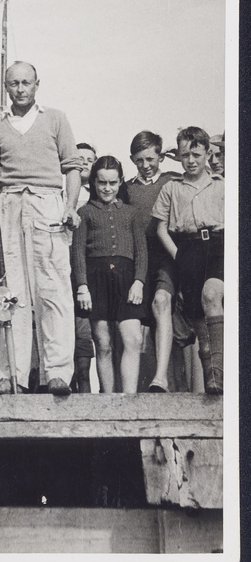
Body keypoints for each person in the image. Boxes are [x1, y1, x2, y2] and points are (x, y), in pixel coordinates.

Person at [0, 61, 82, 396]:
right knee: (9, 295)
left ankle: (58, 372)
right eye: (14, 83)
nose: (20, 89)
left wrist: (68, 207)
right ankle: (8, 376)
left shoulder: (56, 118)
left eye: (26, 83)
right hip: (9, 207)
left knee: (53, 293)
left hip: (47, 205)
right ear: (6, 87)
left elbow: (73, 168)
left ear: (37, 84)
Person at [152, 126, 224, 394]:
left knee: (212, 293)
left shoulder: (222, 186)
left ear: (207, 153)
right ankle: (213, 382)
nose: (191, 160)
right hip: (187, 249)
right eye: (185, 155)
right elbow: (161, 229)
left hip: (218, 246)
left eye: (196, 154)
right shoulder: (172, 188)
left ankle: (218, 372)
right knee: (196, 316)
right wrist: (179, 257)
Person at [73, 157, 147, 393]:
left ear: (120, 182)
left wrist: (139, 282)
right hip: (96, 282)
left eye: (112, 183)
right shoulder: (84, 213)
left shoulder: (131, 213)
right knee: (103, 344)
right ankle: (108, 399)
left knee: (133, 339)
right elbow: (77, 253)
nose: (107, 188)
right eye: (102, 183)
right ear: (94, 182)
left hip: (127, 281)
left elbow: (141, 252)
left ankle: (128, 398)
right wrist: (82, 286)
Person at [122, 131, 182, 393]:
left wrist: (177, 156)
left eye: (151, 159)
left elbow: (196, 171)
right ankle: (134, 386)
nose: (146, 166)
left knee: (162, 302)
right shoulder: (127, 188)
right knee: (138, 322)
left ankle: (161, 378)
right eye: (139, 160)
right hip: (138, 258)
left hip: (166, 254)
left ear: (161, 156)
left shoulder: (173, 180)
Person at [72, 143, 97, 393]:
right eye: (79, 158)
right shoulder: (60, 192)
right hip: (61, 262)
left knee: (84, 323)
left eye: (90, 159)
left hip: (88, 265)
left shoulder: (98, 195)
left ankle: (84, 381)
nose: (84, 163)